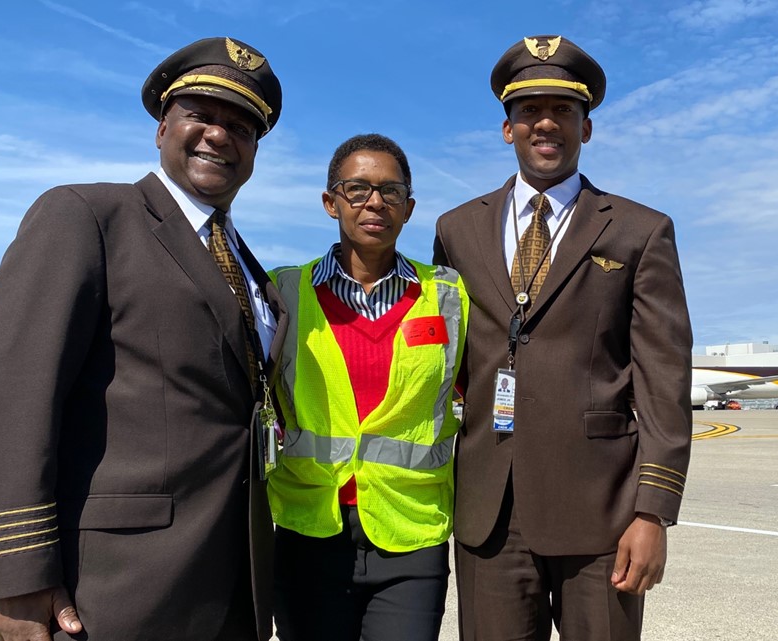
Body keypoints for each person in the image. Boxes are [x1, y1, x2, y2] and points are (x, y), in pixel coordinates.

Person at [0, 37, 286, 640]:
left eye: (242, 127)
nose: (220, 135)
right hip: (114, 588)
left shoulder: (251, 271)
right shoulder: (85, 216)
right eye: (201, 115)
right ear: (163, 127)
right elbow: (8, 400)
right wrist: (17, 576)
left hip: (229, 589)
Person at [433, 35, 694, 640]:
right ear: (507, 128)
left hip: (602, 516)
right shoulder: (456, 229)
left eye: (563, 112)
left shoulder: (639, 230)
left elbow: (664, 379)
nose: (545, 123)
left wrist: (653, 511)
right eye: (529, 111)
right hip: (488, 514)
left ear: (587, 128)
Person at [268, 134, 468, 641]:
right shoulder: (282, 293)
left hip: (411, 534)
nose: (374, 202)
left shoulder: (449, 297)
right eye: (356, 189)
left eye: (390, 191)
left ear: (409, 208)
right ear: (330, 202)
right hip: (309, 526)